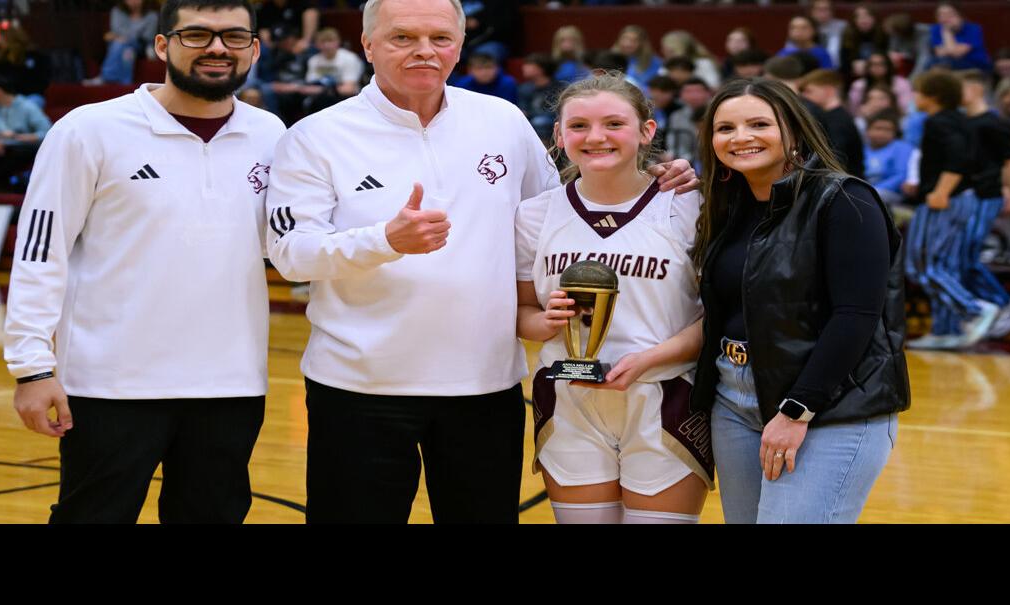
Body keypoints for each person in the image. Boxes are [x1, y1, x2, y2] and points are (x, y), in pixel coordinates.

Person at [264, 0, 697, 524]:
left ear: (460, 46)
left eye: (440, 38)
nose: (425, 51)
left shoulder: (502, 121)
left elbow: (565, 207)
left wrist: (653, 178)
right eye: (403, 37)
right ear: (368, 45)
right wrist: (384, 240)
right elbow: (291, 255)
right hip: (359, 389)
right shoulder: (315, 135)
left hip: (485, 386)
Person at [3, 0, 286, 524]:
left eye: (233, 36)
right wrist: (31, 367)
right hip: (111, 385)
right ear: (162, 45)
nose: (217, 48)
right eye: (197, 35)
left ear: (254, 49)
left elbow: (289, 245)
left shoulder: (273, 135)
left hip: (230, 385)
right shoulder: (88, 130)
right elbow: (40, 252)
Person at [691, 77, 909, 523]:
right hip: (733, 398)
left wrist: (796, 409)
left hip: (829, 403)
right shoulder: (724, 206)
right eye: (725, 128)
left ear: (793, 129)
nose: (741, 137)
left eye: (758, 124)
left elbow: (856, 316)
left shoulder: (845, 199)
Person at [516, 72, 710, 525]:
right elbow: (523, 311)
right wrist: (543, 322)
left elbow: (719, 316)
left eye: (614, 124)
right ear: (559, 136)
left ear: (647, 131)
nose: (595, 137)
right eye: (579, 126)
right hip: (569, 400)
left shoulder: (689, 205)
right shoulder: (535, 214)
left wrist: (649, 359)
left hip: (665, 395)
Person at [906, 70, 999, 350]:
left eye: (918, 91)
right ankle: (946, 330)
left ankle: (974, 309)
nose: (914, 97)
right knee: (944, 266)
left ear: (933, 95)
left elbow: (958, 157)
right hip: (963, 198)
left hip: (945, 198)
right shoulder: (959, 119)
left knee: (922, 264)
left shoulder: (939, 121)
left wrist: (941, 191)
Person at [960, 70, 1010, 338]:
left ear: (977, 89)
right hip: (970, 195)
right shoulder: (966, 121)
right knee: (963, 257)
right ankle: (989, 307)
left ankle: (1007, 305)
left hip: (987, 196)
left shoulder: (992, 123)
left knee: (967, 254)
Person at [0, 75, 52, 192]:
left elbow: (47, 131)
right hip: (0, 145)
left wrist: (22, 137)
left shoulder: (27, 106)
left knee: (17, 155)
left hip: (23, 144)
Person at [799, 69, 865, 179]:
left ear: (828, 91)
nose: (804, 96)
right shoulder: (829, 116)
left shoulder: (838, 120)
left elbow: (837, 157)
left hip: (844, 181)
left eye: (809, 91)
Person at [85, 0, 159, 86]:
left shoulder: (152, 16)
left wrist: (125, 37)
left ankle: (104, 77)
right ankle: (125, 82)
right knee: (127, 51)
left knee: (119, 44)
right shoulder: (117, 11)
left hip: (140, 46)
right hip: (123, 45)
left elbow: (147, 37)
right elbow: (116, 30)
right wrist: (130, 35)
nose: (133, 1)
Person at [862, 110, 912, 207]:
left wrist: (873, 190)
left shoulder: (902, 148)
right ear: (867, 130)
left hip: (891, 193)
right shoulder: (861, 148)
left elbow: (901, 176)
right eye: (878, 128)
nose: (882, 133)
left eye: (888, 130)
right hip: (865, 191)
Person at [928, 1, 990, 73]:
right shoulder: (936, 29)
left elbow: (956, 54)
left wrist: (947, 32)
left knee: (943, 64)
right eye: (941, 15)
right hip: (946, 62)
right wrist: (953, 47)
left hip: (974, 63)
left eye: (949, 14)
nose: (945, 18)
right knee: (930, 63)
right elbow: (939, 53)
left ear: (959, 15)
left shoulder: (973, 29)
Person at [453, 52, 518, 104]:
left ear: (497, 68)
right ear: (470, 70)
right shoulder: (462, 84)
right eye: (479, 68)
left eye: (488, 67)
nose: (484, 72)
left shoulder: (507, 83)